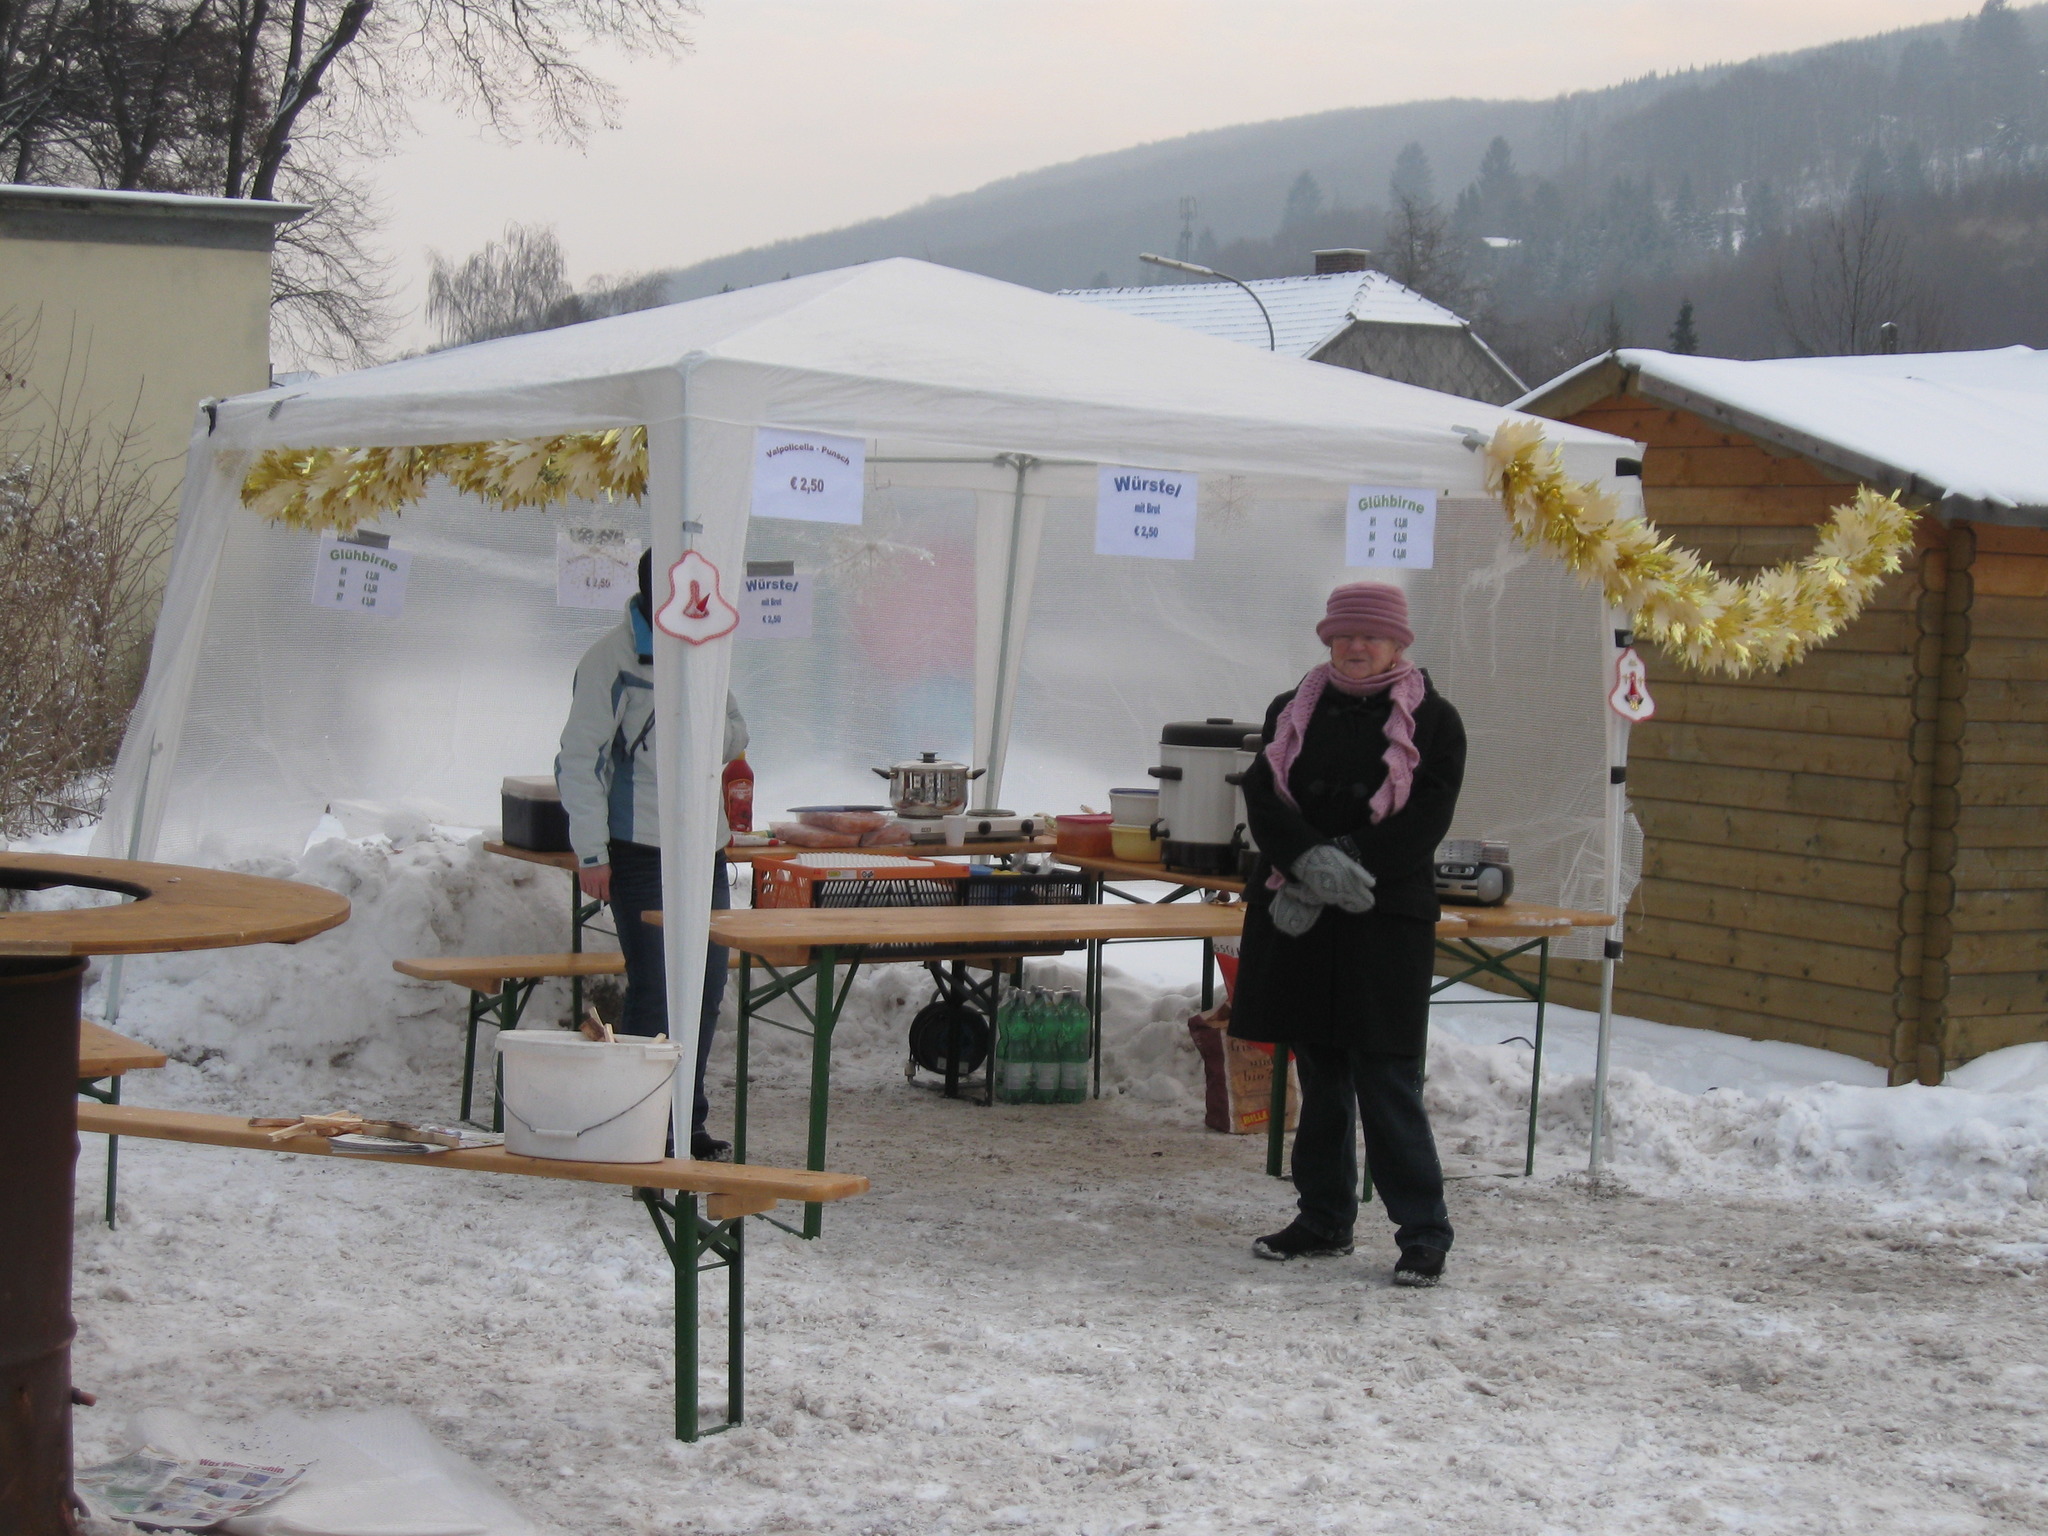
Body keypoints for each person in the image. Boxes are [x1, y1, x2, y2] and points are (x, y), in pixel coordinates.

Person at [1229, 581, 1467, 1287]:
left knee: (1385, 1077)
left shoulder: (1434, 721)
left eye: (1371, 636)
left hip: (1381, 922)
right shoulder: (1289, 710)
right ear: (1328, 639)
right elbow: (1263, 795)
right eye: (1344, 635)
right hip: (1297, 913)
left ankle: (1424, 1232)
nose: (1357, 647)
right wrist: (1306, 860)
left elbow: (1428, 814)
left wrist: (1350, 864)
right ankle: (1324, 1219)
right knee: (1320, 1073)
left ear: (1398, 644)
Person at [557, 550, 749, 1162]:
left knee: (707, 987)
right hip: (638, 849)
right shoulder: (609, 660)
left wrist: (702, 715)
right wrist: (591, 851)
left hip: (704, 849)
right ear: (656, 593)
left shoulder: (706, 645)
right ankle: (639, 1125)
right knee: (658, 992)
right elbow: (578, 762)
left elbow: (735, 734)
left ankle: (683, 1125)